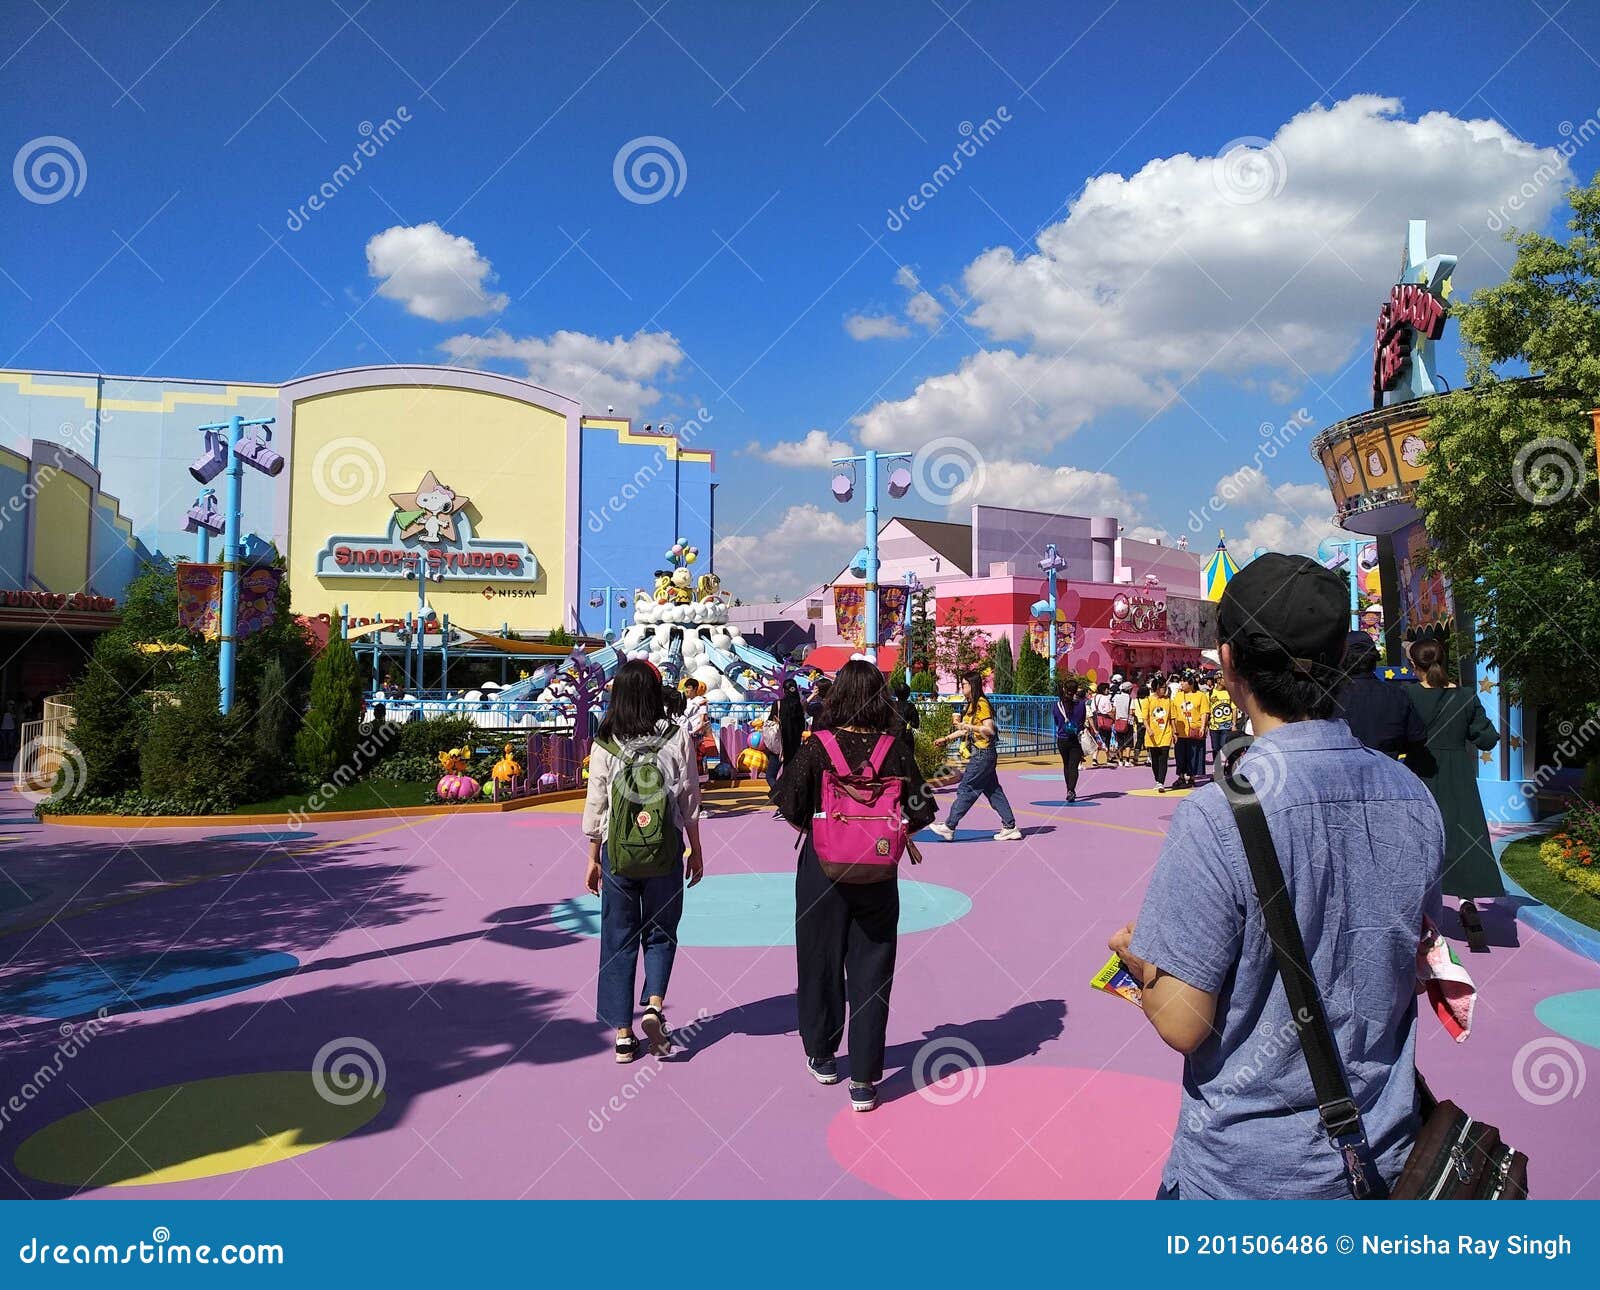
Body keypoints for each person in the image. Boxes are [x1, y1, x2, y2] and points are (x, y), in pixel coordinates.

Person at [1108, 553, 1444, 1199]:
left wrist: (1139, 963)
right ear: (1341, 656)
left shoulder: (1217, 815)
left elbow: (1183, 1022)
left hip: (1246, 1177)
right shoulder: (1413, 798)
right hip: (1384, 1157)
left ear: (1229, 661)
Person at [774, 661, 937, 1110]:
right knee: (872, 968)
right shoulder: (894, 748)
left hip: (822, 869)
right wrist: (885, 833)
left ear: (838, 696)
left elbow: (788, 803)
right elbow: (922, 808)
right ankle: (864, 1079)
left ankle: (823, 1055)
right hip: (878, 871)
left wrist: (826, 829)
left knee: (819, 960)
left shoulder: (818, 746)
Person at [582, 659, 705, 1063]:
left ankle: (622, 1033)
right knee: (661, 931)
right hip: (665, 850)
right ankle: (654, 1004)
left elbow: (597, 804)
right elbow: (689, 797)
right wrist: (695, 849)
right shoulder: (675, 736)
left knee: (618, 936)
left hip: (618, 855)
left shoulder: (606, 741)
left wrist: (593, 858)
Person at [1404, 636, 1505, 944]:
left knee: (1416, 840)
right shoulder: (1466, 696)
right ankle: (1466, 902)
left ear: (1414, 665)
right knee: (1463, 837)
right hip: (1458, 774)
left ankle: (1418, 915)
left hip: (1419, 772)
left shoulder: (1407, 695)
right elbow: (1486, 739)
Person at [927, 671, 1022, 841]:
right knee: (993, 791)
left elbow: (989, 729)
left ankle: (949, 826)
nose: (961, 688)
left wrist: (968, 727)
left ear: (972, 685)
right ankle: (1010, 827)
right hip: (983, 753)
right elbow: (964, 729)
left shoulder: (981, 704)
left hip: (982, 754)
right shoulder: (972, 704)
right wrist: (946, 738)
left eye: (963, 684)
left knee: (966, 788)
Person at [1335, 630, 1425, 758]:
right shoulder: (1397, 695)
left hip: (1342, 765)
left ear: (1341, 660)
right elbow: (1417, 737)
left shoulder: (1330, 696)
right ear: (1374, 659)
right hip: (1386, 764)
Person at [1170, 675, 1210, 789]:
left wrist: (1203, 727)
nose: (1181, 684)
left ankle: (1192, 777)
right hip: (1181, 731)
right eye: (1181, 682)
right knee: (1180, 756)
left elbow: (1204, 713)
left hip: (1194, 731)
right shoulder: (1178, 696)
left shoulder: (1200, 696)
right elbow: (1173, 713)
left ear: (1191, 684)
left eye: (1184, 682)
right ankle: (1181, 777)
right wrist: (1174, 730)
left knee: (1194, 755)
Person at [1053, 679, 1086, 801]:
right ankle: (1071, 790)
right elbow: (1082, 721)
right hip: (1076, 739)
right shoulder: (1081, 705)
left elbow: (1056, 721)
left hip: (1062, 738)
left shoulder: (1058, 706)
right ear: (1076, 690)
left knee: (1066, 764)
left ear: (1064, 689)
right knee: (1073, 766)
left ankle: (1068, 789)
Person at [1139, 682, 1175, 790]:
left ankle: (1161, 782)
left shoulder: (1169, 701)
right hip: (1152, 735)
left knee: (1163, 758)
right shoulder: (1148, 700)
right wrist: (1148, 729)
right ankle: (1157, 779)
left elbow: (1172, 718)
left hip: (1166, 733)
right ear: (1157, 688)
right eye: (1163, 687)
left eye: (1165, 687)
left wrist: (1175, 732)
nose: (1165, 689)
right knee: (1154, 759)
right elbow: (1145, 718)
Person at [1205, 676, 1237, 770]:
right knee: (1215, 748)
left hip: (1226, 726)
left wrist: (1234, 724)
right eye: (1224, 679)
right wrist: (1206, 725)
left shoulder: (1229, 693)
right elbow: (1206, 711)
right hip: (1214, 726)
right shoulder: (1210, 694)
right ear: (1218, 680)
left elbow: (1234, 709)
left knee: (1224, 746)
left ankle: (1223, 767)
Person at [891, 679, 921, 762]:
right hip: (906, 738)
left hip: (891, 738)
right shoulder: (911, 707)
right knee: (907, 761)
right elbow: (916, 724)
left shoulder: (891, 706)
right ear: (908, 694)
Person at [1112, 681, 1135, 765]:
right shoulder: (1130, 699)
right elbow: (1131, 712)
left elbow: (1113, 709)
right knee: (1129, 741)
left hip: (1118, 721)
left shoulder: (1116, 697)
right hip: (1128, 722)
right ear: (1129, 690)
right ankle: (1127, 760)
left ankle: (1121, 760)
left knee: (1120, 741)